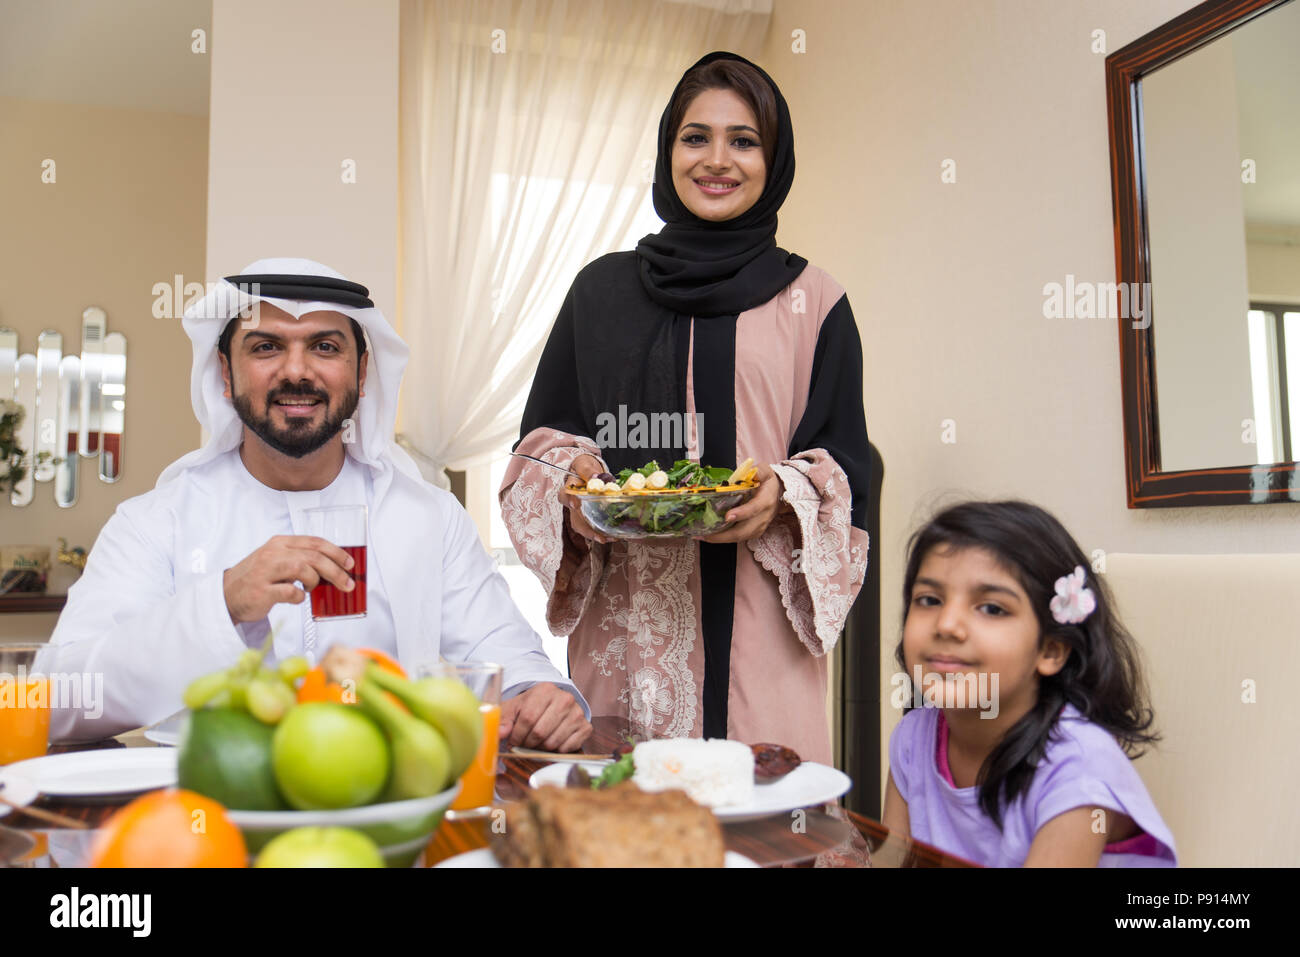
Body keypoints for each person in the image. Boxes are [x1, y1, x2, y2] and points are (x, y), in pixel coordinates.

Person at [41, 258, 590, 751]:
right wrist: (221, 603)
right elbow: (62, 701)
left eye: (325, 347)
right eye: (265, 346)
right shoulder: (155, 522)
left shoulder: (426, 516)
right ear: (226, 375)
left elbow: (501, 648)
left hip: (392, 814)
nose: (297, 371)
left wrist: (538, 694)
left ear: (362, 373)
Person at [499, 52, 871, 764]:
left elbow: (847, 465)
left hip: (760, 637)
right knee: (626, 823)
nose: (717, 160)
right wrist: (574, 477)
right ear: (669, 150)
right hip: (624, 638)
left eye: (744, 140)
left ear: (775, 158)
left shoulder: (814, 301)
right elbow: (538, 446)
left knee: (758, 827)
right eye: (695, 137)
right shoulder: (599, 293)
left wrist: (782, 492)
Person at [882, 500, 1177, 867]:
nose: (946, 625)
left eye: (991, 608)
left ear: (1052, 649)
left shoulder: (1078, 769)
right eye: (929, 599)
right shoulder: (913, 739)